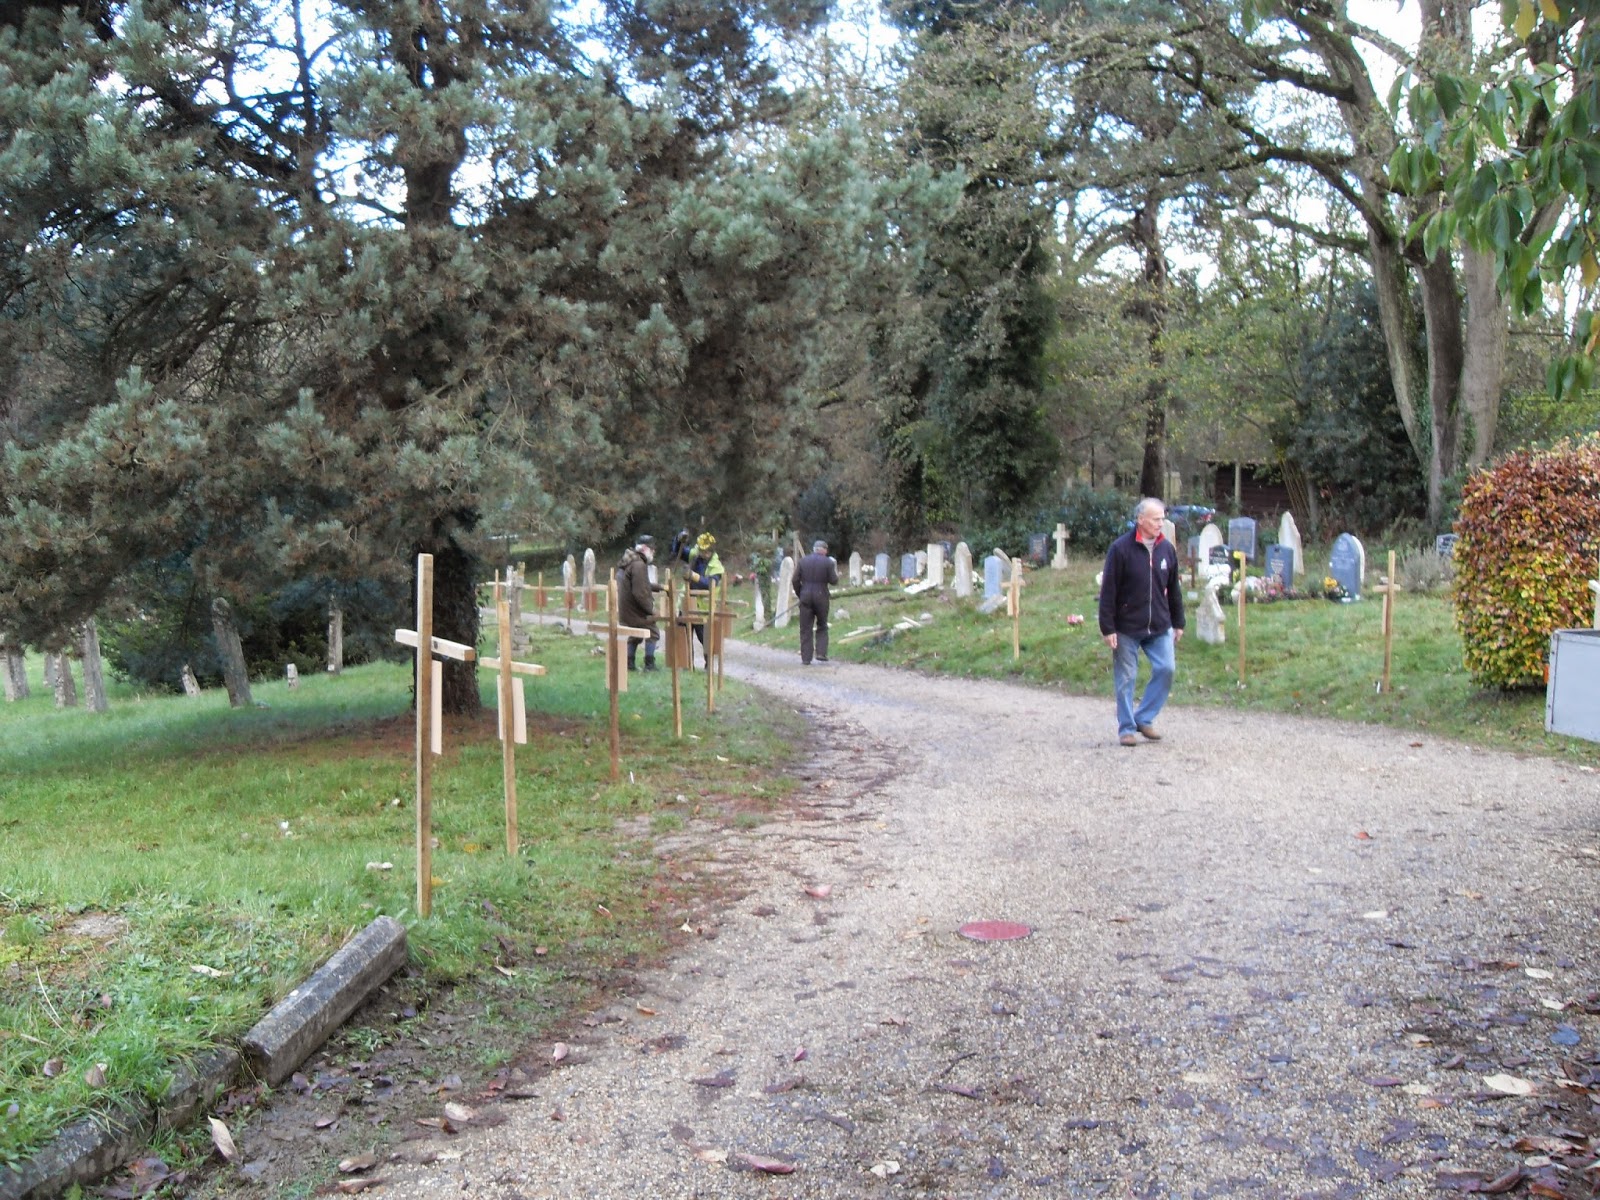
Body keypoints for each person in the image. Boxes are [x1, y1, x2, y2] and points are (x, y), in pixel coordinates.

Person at [1098, 497, 1185, 746]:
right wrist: (1108, 627)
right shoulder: (1120, 549)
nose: (1161, 523)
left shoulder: (1166, 549)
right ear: (1141, 519)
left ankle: (1144, 718)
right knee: (1126, 677)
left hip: (1159, 625)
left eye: (1162, 518)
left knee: (1166, 669)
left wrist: (1178, 622)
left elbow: (1173, 589)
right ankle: (1126, 728)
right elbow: (1109, 591)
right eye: (1156, 519)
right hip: (1126, 625)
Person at [676, 531, 724, 661]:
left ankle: (708, 663)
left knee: (704, 638)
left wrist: (693, 576)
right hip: (687, 602)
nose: (703, 554)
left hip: (703, 607)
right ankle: (685, 663)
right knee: (682, 634)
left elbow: (710, 584)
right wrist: (679, 540)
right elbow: (678, 552)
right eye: (702, 551)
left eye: (706, 552)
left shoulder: (717, 567)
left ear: (711, 551)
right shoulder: (695, 554)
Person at [615, 535, 661, 671]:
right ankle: (649, 664)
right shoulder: (639, 565)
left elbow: (642, 584)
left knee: (636, 634)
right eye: (652, 549)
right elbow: (640, 593)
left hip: (626, 611)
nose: (654, 552)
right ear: (645, 549)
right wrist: (651, 611)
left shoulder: (630, 562)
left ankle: (629, 663)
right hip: (633, 612)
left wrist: (660, 587)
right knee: (652, 631)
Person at [794, 539, 839, 665]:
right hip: (821, 596)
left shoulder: (803, 561)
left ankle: (806, 658)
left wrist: (800, 593)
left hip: (806, 596)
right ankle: (821, 653)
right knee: (822, 625)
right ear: (824, 550)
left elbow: (795, 580)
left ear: (814, 549)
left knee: (805, 628)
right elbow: (834, 581)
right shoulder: (828, 562)